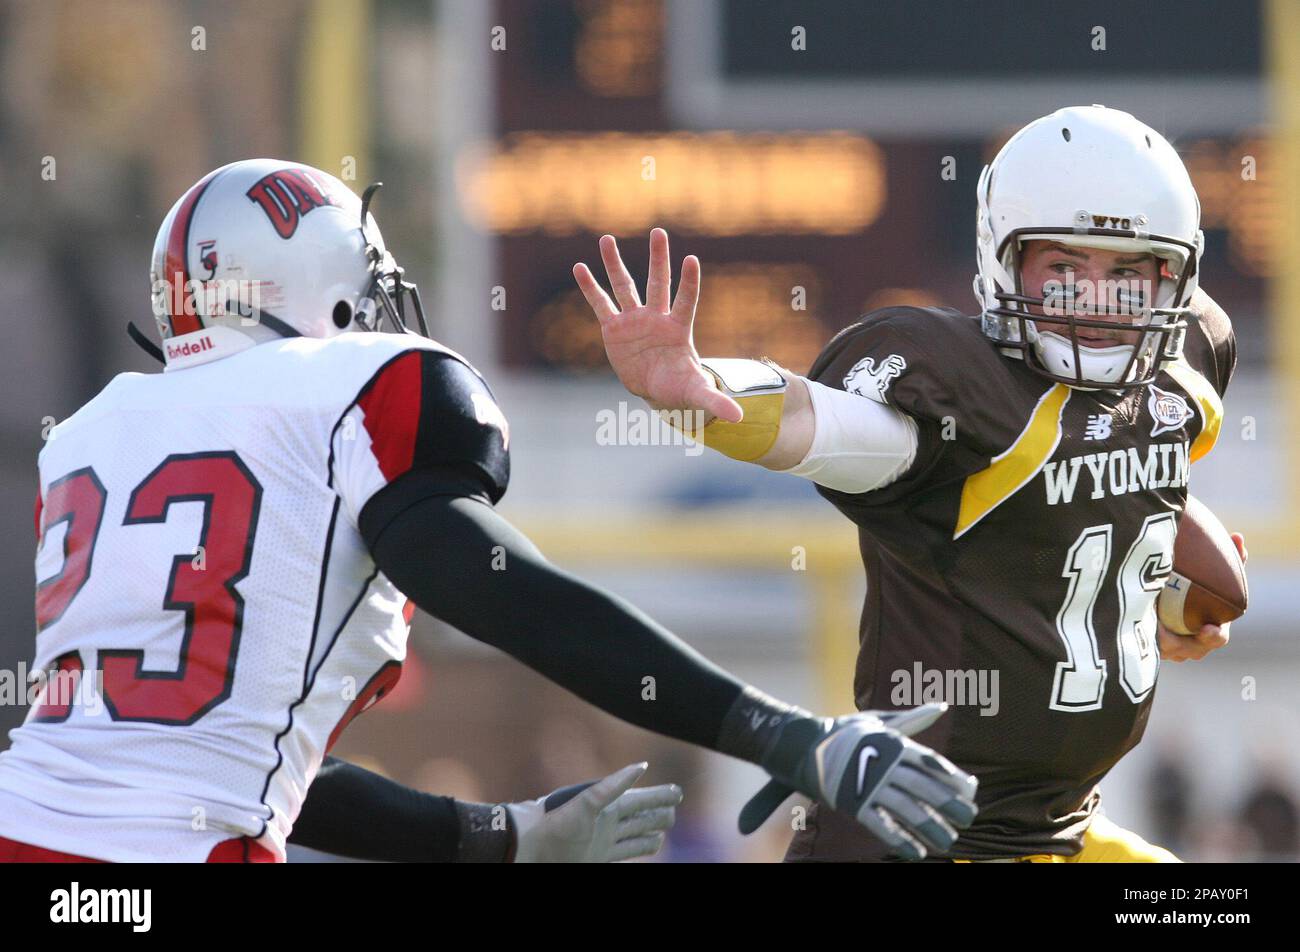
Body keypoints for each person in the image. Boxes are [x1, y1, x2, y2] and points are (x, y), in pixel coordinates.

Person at [0, 158, 976, 863]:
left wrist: (497, 836)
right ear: (330, 296)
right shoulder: (349, 384)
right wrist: (777, 730)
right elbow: (502, 590)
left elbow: (224, 756)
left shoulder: (96, 430)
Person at [575, 105, 1244, 862]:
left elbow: (1098, 491)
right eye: (1063, 269)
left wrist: (1160, 587)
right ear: (1003, 260)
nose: (1095, 299)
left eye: (1127, 272)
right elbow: (818, 423)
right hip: (919, 833)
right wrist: (699, 390)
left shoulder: (1182, 374)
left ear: (1174, 276)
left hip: (1060, 830)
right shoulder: (959, 394)